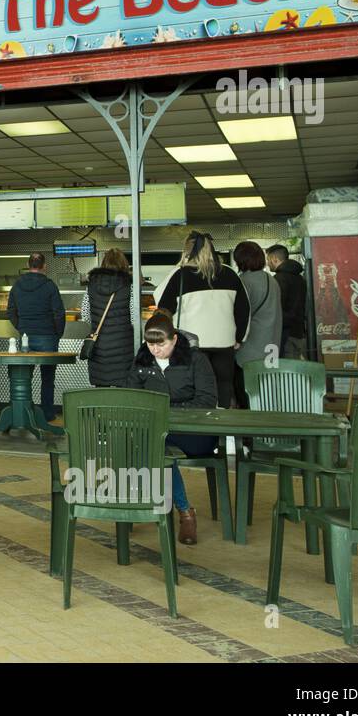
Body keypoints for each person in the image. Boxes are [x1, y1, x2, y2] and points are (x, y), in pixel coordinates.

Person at [124, 311, 218, 545]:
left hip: (193, 432)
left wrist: (168, 409)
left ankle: (147, 507)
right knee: (153, 446)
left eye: (161, 344)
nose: (156, 350)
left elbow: (207, 399)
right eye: (150, 344)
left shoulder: (196, 360)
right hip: (157, 431)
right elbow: (132, 395)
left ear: (174, 339)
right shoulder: (142, 361)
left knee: (152, 447)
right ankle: (184, 512)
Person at [154, 231, 249, 409]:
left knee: (196, 390)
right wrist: (239, 338)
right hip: (224, 343)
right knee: (222, 389)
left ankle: (200, 430)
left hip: (192, 344)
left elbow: (161, 303)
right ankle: (222, 429)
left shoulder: (180, 275)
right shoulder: (230, 274)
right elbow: (244, 310)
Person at [7, 252, 67, 421]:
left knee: (23, 376)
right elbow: (58, 313)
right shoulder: (50, 286)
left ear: (28, 265)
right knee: (47, 378)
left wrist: (21, 327)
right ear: (44, 266)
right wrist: (57, 333)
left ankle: (25, 412)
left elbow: (11, 311)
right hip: (48, 336)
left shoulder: (17, 285)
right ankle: (47, 414)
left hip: (26, 336)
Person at [234, 241, 282, 408]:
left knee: (248, 396)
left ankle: (251, 432)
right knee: (268, 395)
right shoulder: (272, 280)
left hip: (249, 351)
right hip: (272, 345)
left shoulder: (243, 281)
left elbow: (239, 315)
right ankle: (268, 431)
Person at [80, 248, 134, 388]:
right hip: (122, 347)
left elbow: (84, 313)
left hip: (99, 347)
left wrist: (97, 324)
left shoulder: (91, 284)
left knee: (101, 391)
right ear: (124, 264)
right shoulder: (128, 285)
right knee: (123, 390)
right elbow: (134, 316)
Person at [266, 244, 307, 360]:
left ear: (275, 259)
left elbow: (277, 308)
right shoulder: (300, 278)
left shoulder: (279, 279)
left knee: (286, 371)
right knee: (295, 370)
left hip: (285, 334)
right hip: (299, 332)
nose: (267, 263)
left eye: (268, 260)